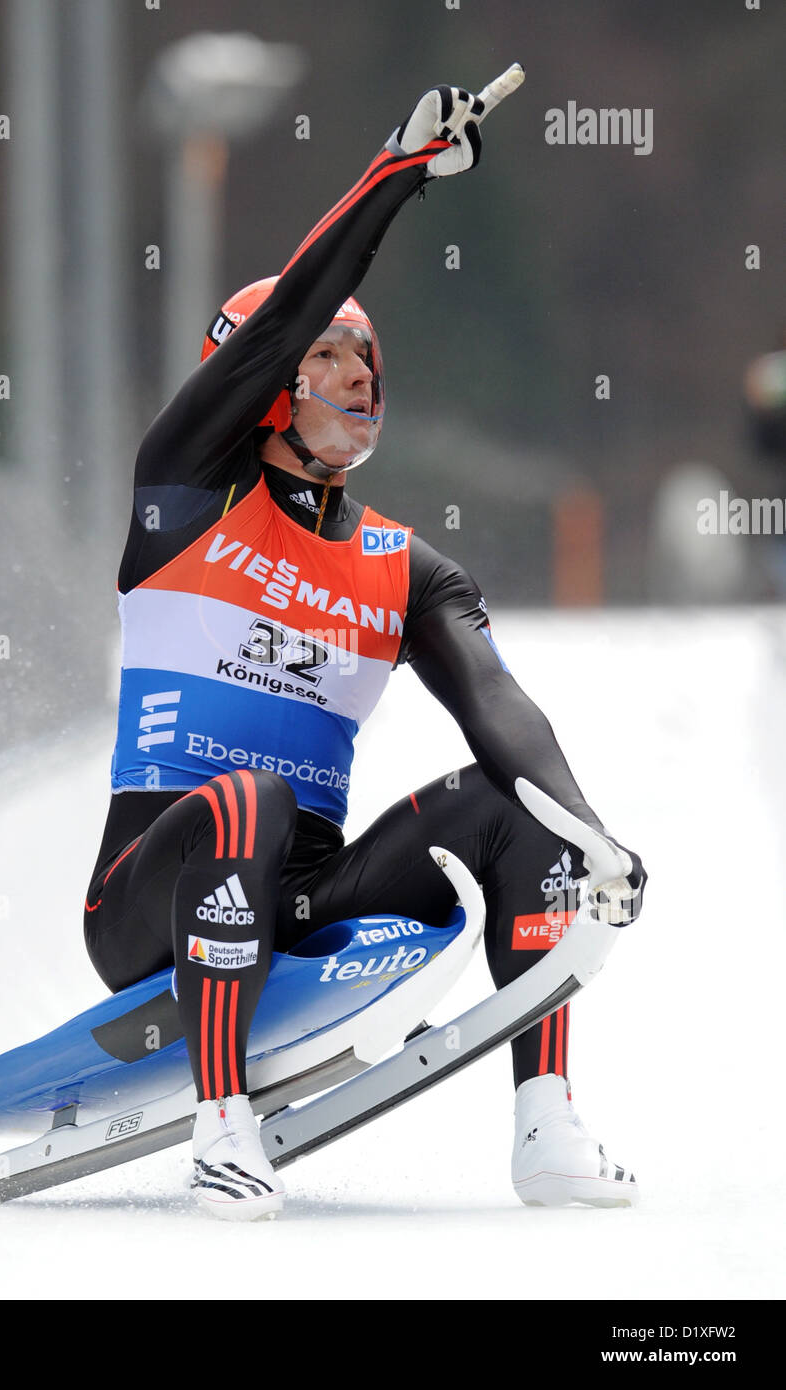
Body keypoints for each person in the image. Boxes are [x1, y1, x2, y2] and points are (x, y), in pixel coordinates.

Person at [84, 73, 647, 1221]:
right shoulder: (183, 491)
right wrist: (394, 178)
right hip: (150, 896)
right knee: (254, 795)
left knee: (510, 805)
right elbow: (292, 306)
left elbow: (498, 701)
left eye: (369, 360)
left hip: (301, 892)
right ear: (263, 385)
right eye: (332, 356)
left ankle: (548, 1124)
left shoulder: (406, 567)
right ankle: (220, 1125)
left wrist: (588, 830)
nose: (360, 375)